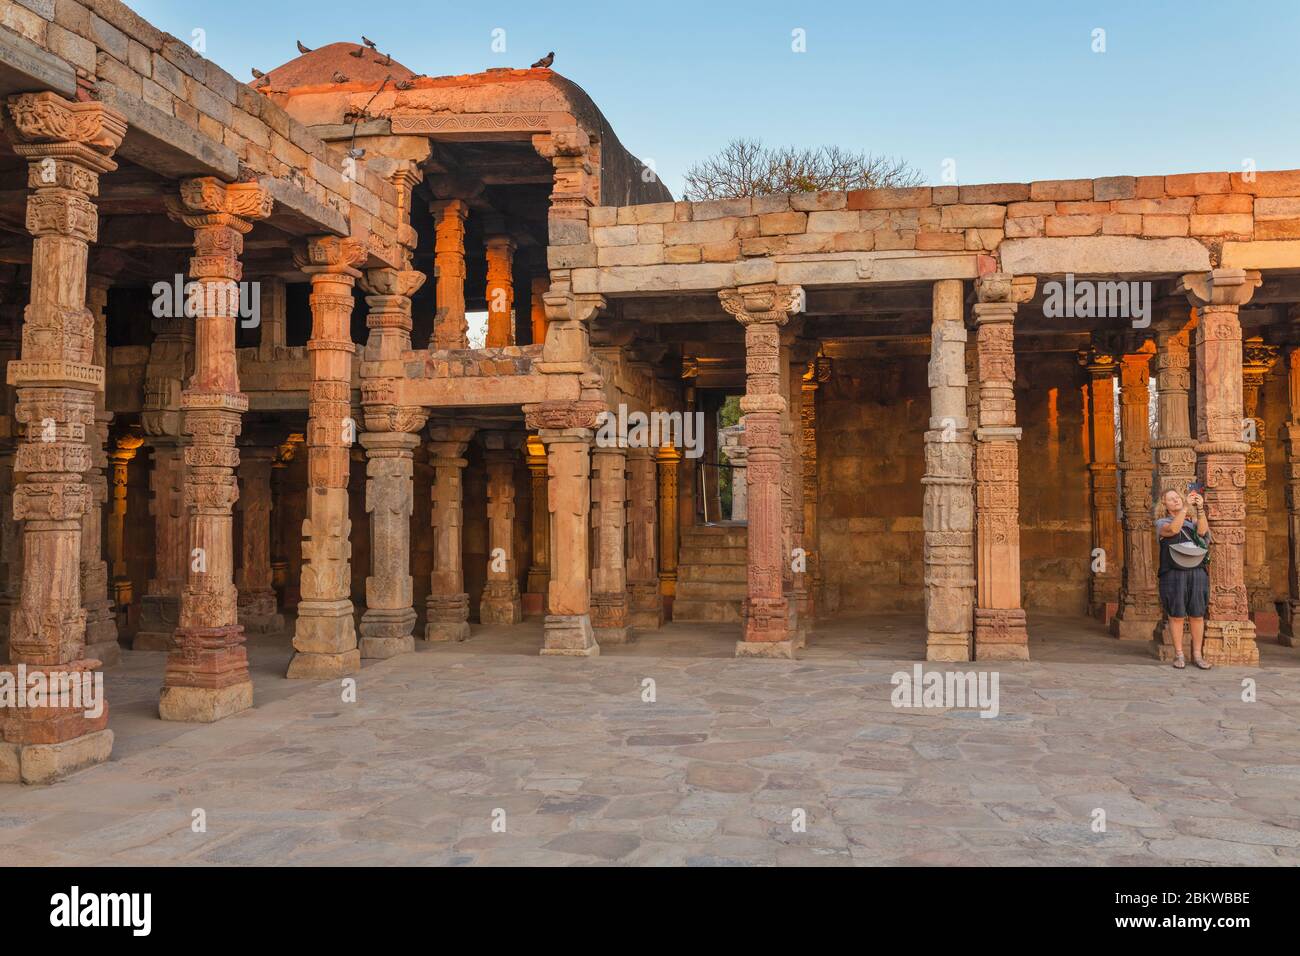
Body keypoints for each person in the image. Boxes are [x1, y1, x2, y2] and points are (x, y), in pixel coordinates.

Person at [1155, 487, 1212, 670]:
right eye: (1171, 499)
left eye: (1178, 498)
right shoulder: (1162, 522)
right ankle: (1179, 654)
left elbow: (1203, 532)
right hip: (1173, 572)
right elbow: (1173, 529)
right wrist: (1186, 507)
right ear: (1164, 504)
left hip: (1196, 570)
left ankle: (1197, 654)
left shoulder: (1193, 521)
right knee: (1177, 614)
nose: (1176, 501)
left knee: (1197, 614)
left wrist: (1200, 509)